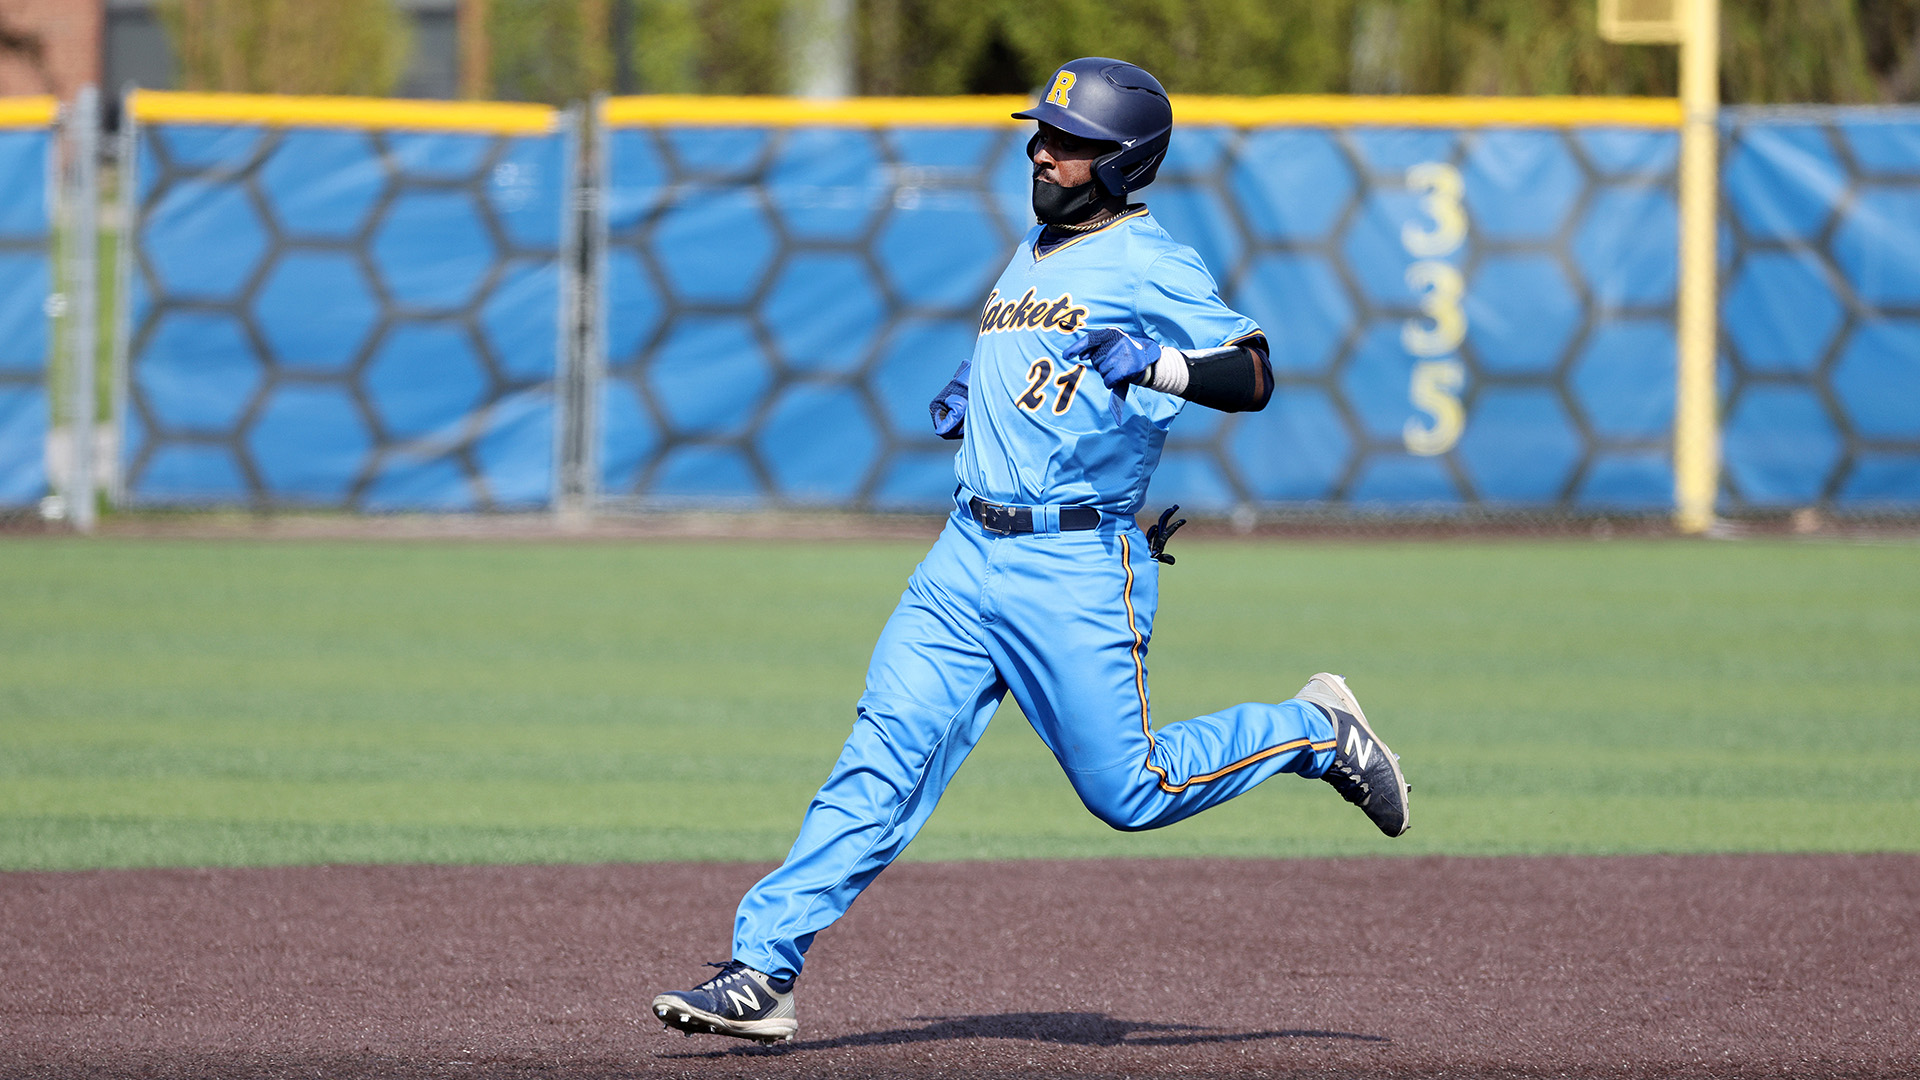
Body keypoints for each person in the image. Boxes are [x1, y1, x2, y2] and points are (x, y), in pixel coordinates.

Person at [651, 56, 1411, 1044]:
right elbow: (1044, 359)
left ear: (1122, 161)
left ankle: (1313, 732)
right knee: (877, 763)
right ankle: (764, 969)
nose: (1041, 151)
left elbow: (1256, 373)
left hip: (1074, 566)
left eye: (1069, 142)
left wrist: (1171, 365)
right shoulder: (1036, 251)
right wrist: (978, 384)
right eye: (1042, 135)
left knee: (1132, 794)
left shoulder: (1148, 258)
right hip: (964, 560)